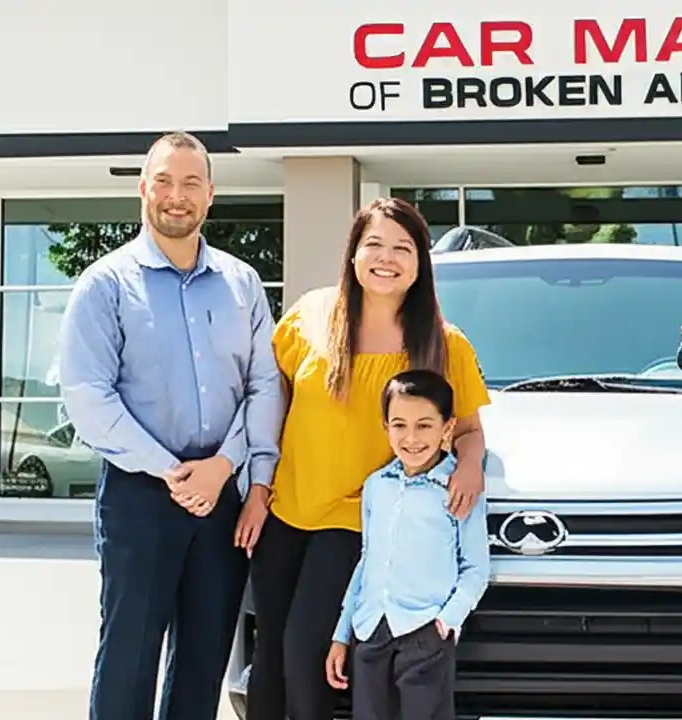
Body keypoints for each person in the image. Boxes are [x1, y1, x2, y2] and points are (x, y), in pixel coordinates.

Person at [58, 131, 284, 720]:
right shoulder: (106, 285)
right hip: (141, 494)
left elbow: (264, 385)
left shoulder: (243, 284)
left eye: (190, 183)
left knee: (204, 660)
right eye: (164, 180)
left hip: (224, 498)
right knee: (129, 657)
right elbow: (89, 397)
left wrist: (229, 468)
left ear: (211, 194)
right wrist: (177, 472)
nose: (176, 196)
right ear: (143, 189)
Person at [247, 196, 491, 720]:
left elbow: (468, 429)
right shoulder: (309, 317)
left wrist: (470, 466)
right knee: (267, 656)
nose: (387, 257)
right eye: (374, 244)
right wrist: (258, 490)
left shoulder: (445, 345)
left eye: (404, 248)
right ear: (353, 253)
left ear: (420, 262)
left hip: (354, 519)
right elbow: (270, 408)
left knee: (304, 651)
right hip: (286, 510)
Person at [325, 369, 492, 720]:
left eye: (424, 425)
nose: (411, 437)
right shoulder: (376, 486)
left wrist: (447, 621)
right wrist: (342, 634)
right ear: (385, 427)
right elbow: (368, 560)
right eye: (399, 425)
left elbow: (475, 568)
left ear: (447, 428)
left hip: (425, 634)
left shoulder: (457, 488)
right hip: (371, 632)